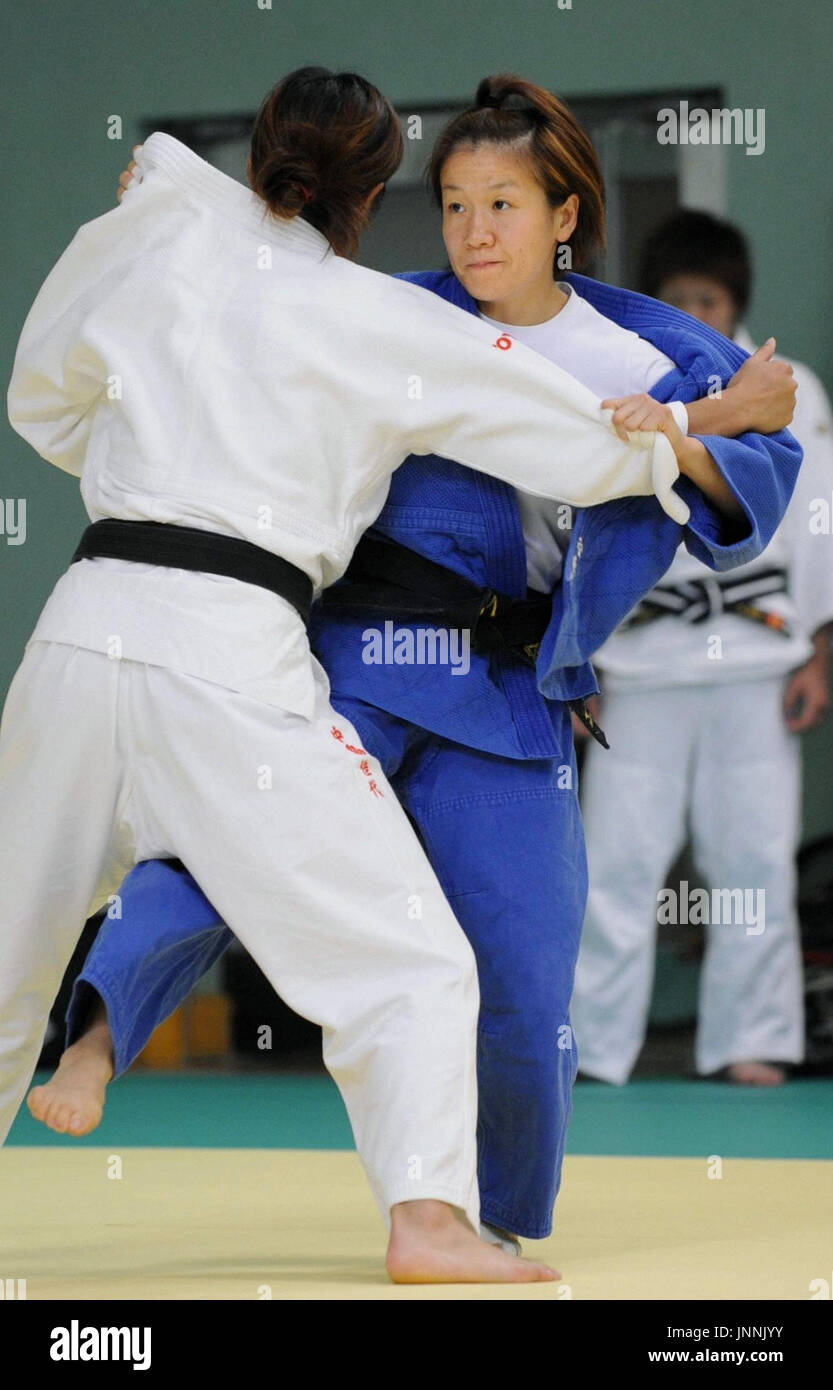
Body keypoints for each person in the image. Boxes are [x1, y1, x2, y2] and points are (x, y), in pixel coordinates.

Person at [23, 77, 800, 1257]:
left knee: (523, 991)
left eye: (501, 203)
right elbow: (590, 446)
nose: (474, 230)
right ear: (391, 200)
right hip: (347, 651)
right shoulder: (391, 312)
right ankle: (115, 1045)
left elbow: (764, 455)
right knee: (248, 877)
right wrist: (695, 429)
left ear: (563, 216)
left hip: (493, 681)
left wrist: (713, 419)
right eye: (449, 203)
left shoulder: (636, 342)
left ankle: (487, 1214)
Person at [572, 209, 833, 1087]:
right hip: (640, 669)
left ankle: (749, 1039)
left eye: (710, 299)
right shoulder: (623, 389)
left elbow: (818, 531)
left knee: (751, 859)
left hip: (755, 663)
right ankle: (593, 1046)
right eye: (678, 298)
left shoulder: (788, 387)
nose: (697, 312)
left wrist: (819, 649)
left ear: (735, 303)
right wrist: (579, 660)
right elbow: (585, 532)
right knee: (613, 863)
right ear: (656, 303)